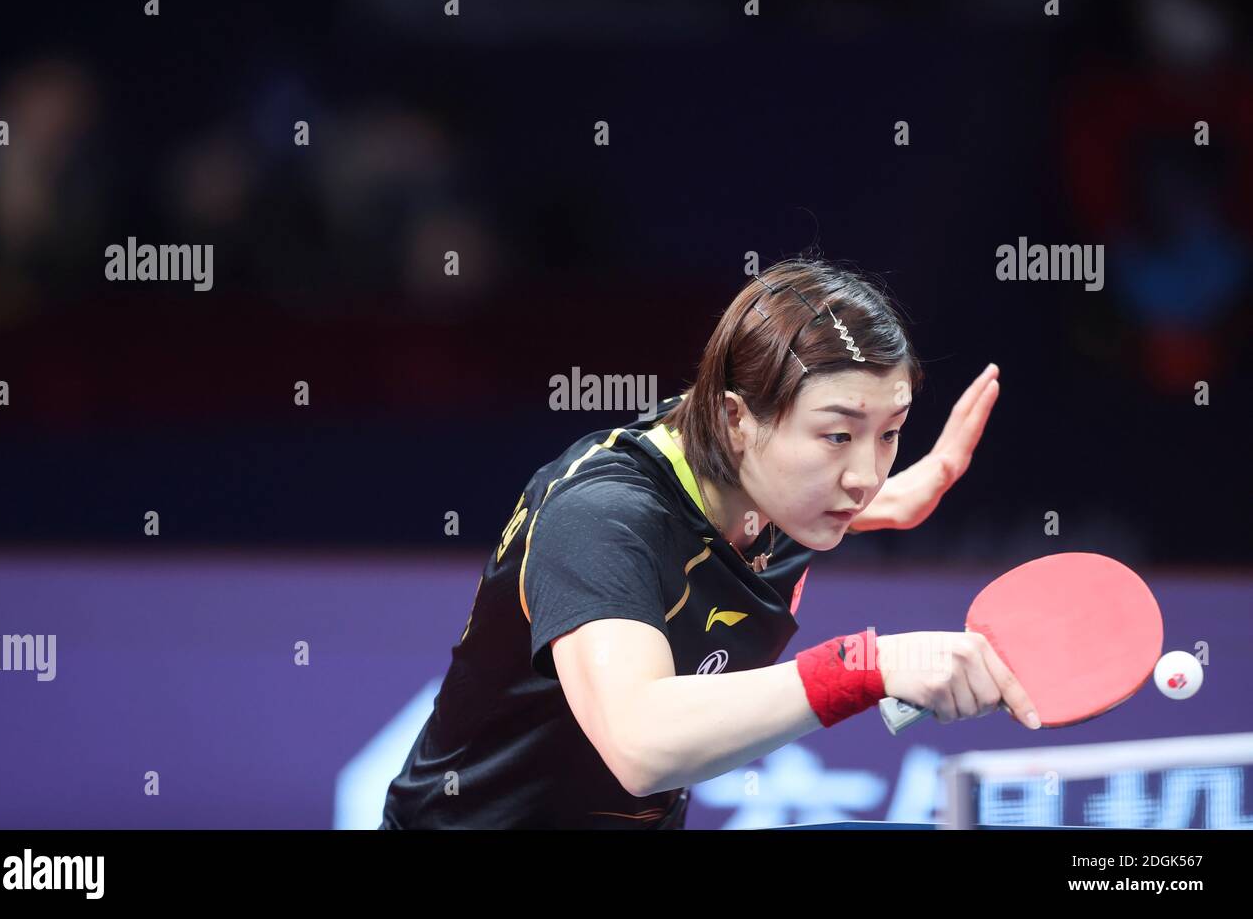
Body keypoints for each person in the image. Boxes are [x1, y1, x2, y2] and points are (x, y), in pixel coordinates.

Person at [379, 257, 1039, 829]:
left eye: (890, 433)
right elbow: (641, 743)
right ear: (735, 420)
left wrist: (899, 497)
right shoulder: (599, 518)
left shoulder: (773, 480)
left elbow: (825, 485)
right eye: (838, 435)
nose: (866, 476)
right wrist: (864, 669)